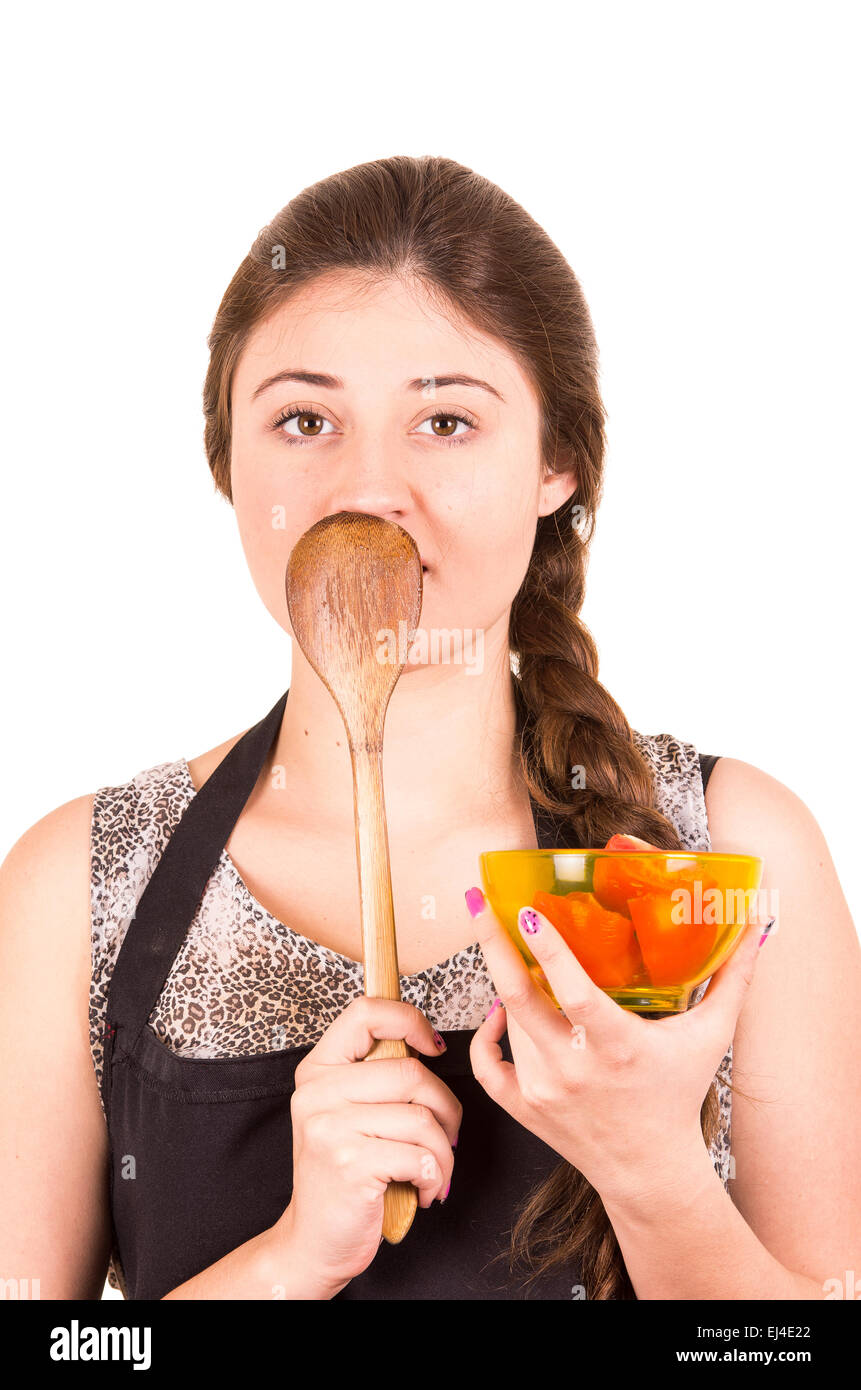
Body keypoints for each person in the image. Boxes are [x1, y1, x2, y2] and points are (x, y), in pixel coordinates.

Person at [1, 155, 858, 1301]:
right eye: (305, 418)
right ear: (226, 457)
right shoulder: (82, 883)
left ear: (555, 464)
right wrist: (293, 1256)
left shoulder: (732, 852)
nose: (370, 488)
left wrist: (656, 1169)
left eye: (446, 420)